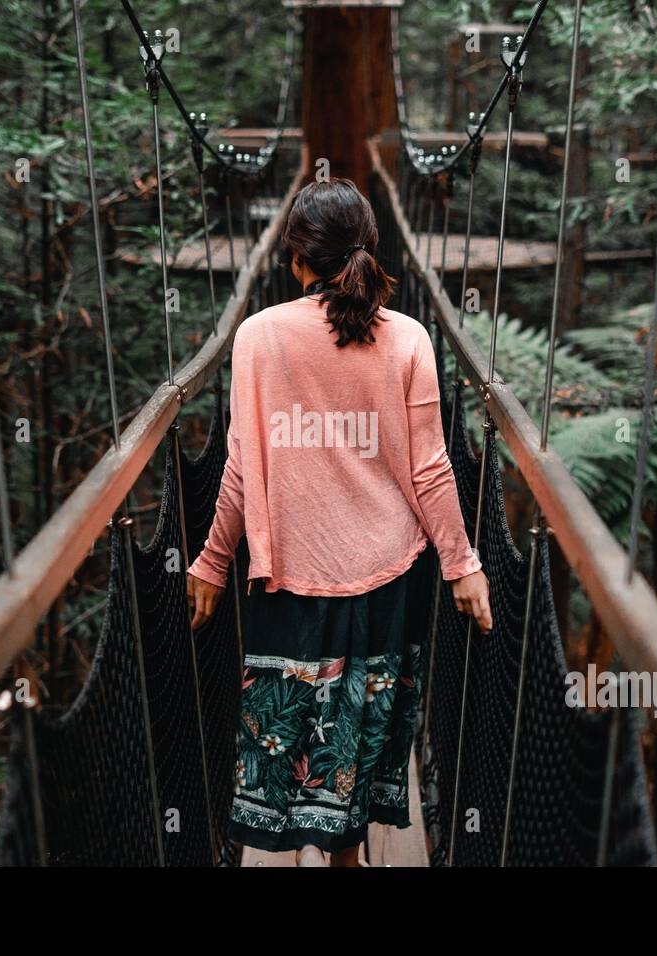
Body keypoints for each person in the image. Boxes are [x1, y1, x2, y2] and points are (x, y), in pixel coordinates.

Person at [186, 177, 491, 867]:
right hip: (389, 579)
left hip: (290, 579)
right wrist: (464, 565)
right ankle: (349, 859)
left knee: (291, 744)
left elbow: (240, 467)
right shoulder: (408, 338)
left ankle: (322, 855)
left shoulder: (258, 338)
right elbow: (430, 469)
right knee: (355, 743)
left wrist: (209, 562)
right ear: (368, 250)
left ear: (295, 261)